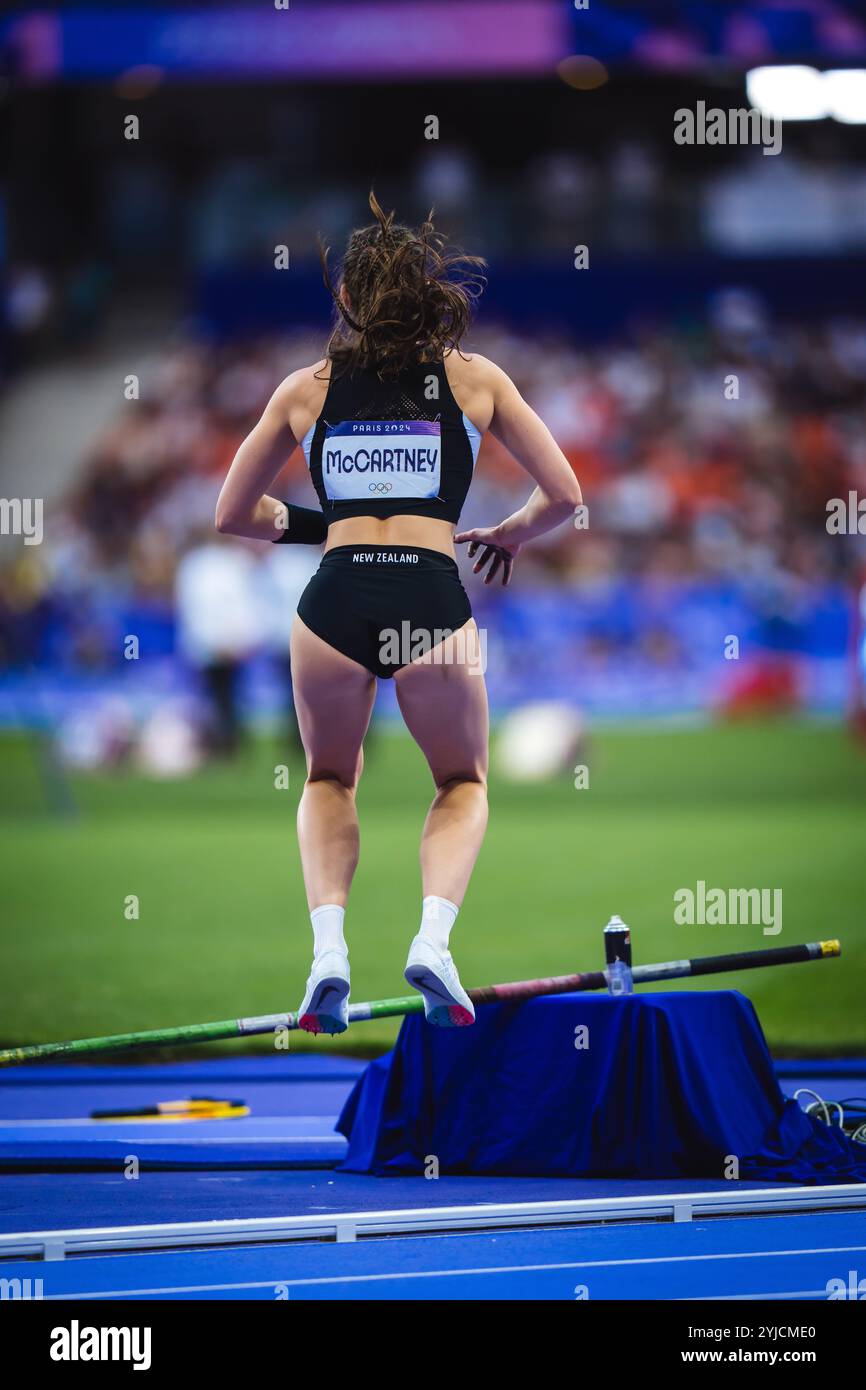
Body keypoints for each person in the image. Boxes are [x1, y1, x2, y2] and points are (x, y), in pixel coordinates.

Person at [215, 193, 582, 1033]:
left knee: (328, 778)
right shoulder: (475, 378)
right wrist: (510, 535)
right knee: (459, 780)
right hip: (428, 596)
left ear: (345, 299)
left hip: (334, 601)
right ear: (430, 296)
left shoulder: (305, 389)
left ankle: (328, 954)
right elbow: (564, 495)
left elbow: (234, 516)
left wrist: (328, 526)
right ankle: (435, 941)